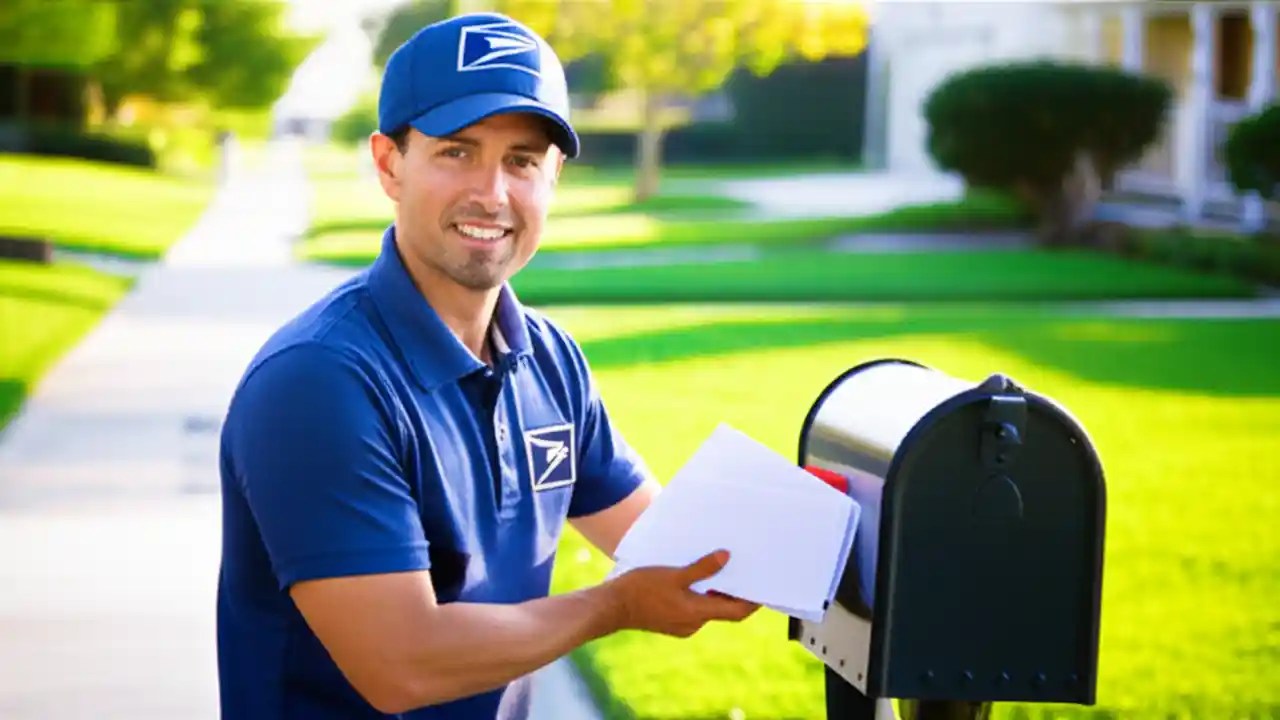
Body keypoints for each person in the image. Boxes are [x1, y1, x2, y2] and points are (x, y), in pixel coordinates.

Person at [216, 11, 759, 720]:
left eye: (522, 160)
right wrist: (615, 605)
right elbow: (401, 662)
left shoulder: (549, 361)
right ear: (389, 163)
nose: (492, 193)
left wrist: (848, 525)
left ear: (554, 175)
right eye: (457, 152)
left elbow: (667, 541)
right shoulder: (319, 382)